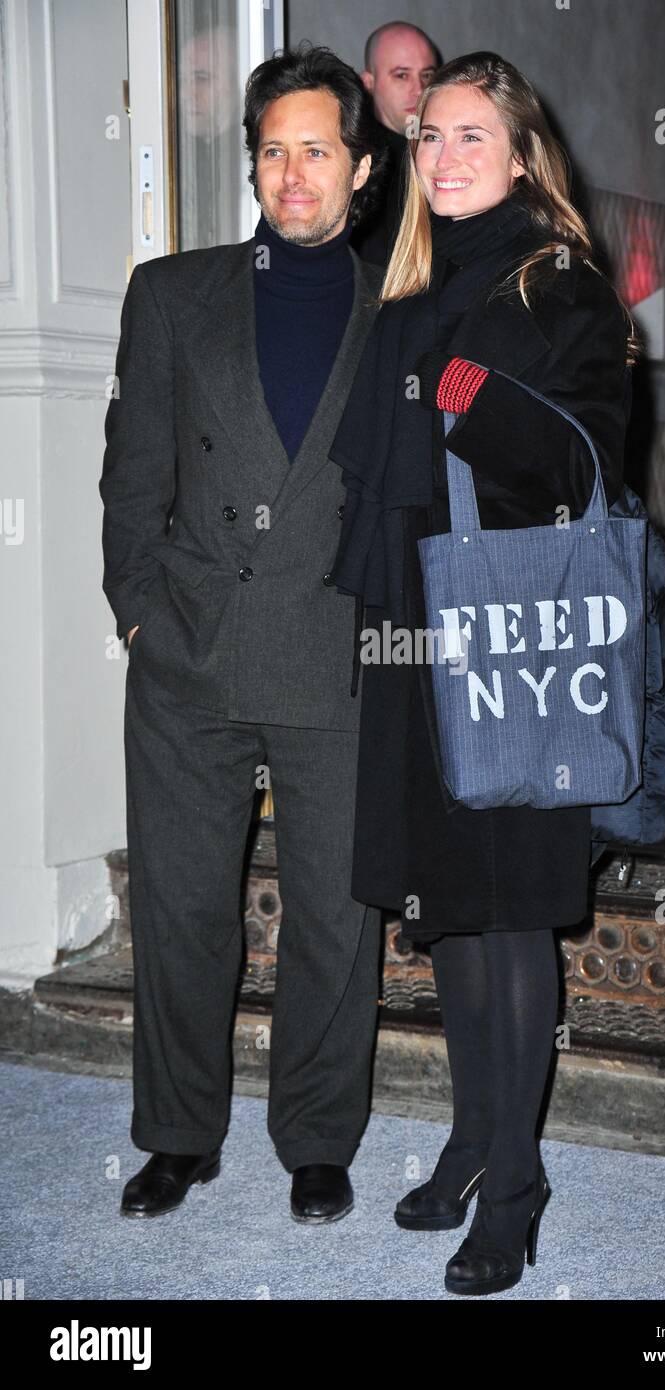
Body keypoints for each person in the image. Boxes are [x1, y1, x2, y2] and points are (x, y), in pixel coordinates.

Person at [329, 50, 637, 1295]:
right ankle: (472, 1138)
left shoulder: (555, 283)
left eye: (470, 137)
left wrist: (463, 390)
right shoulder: (404, 289)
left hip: (513, 631)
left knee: (507, 910)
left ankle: (515, 1186)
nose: (444, 159)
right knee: (452, 902)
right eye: (428, 138)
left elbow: (580, 467)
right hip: (413, 625)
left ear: (520, 153)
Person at [99, 45, 388, 1225]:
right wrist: (135, 608)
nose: (293, 171)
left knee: (334, 912)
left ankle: (318, 1138)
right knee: (180, 905)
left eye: (317, 149)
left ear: (361, 167)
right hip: (192, 647)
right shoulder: (174, 292)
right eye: (274, 149)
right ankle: (178, 1133)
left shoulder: (404, 308)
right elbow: (131, 477)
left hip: (336, 648)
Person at [350, 20, 439, 265]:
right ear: (368, 83)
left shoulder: (451, 155)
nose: (419, 89)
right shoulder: (360, 167)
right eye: (402, 75)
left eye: (427, 75)